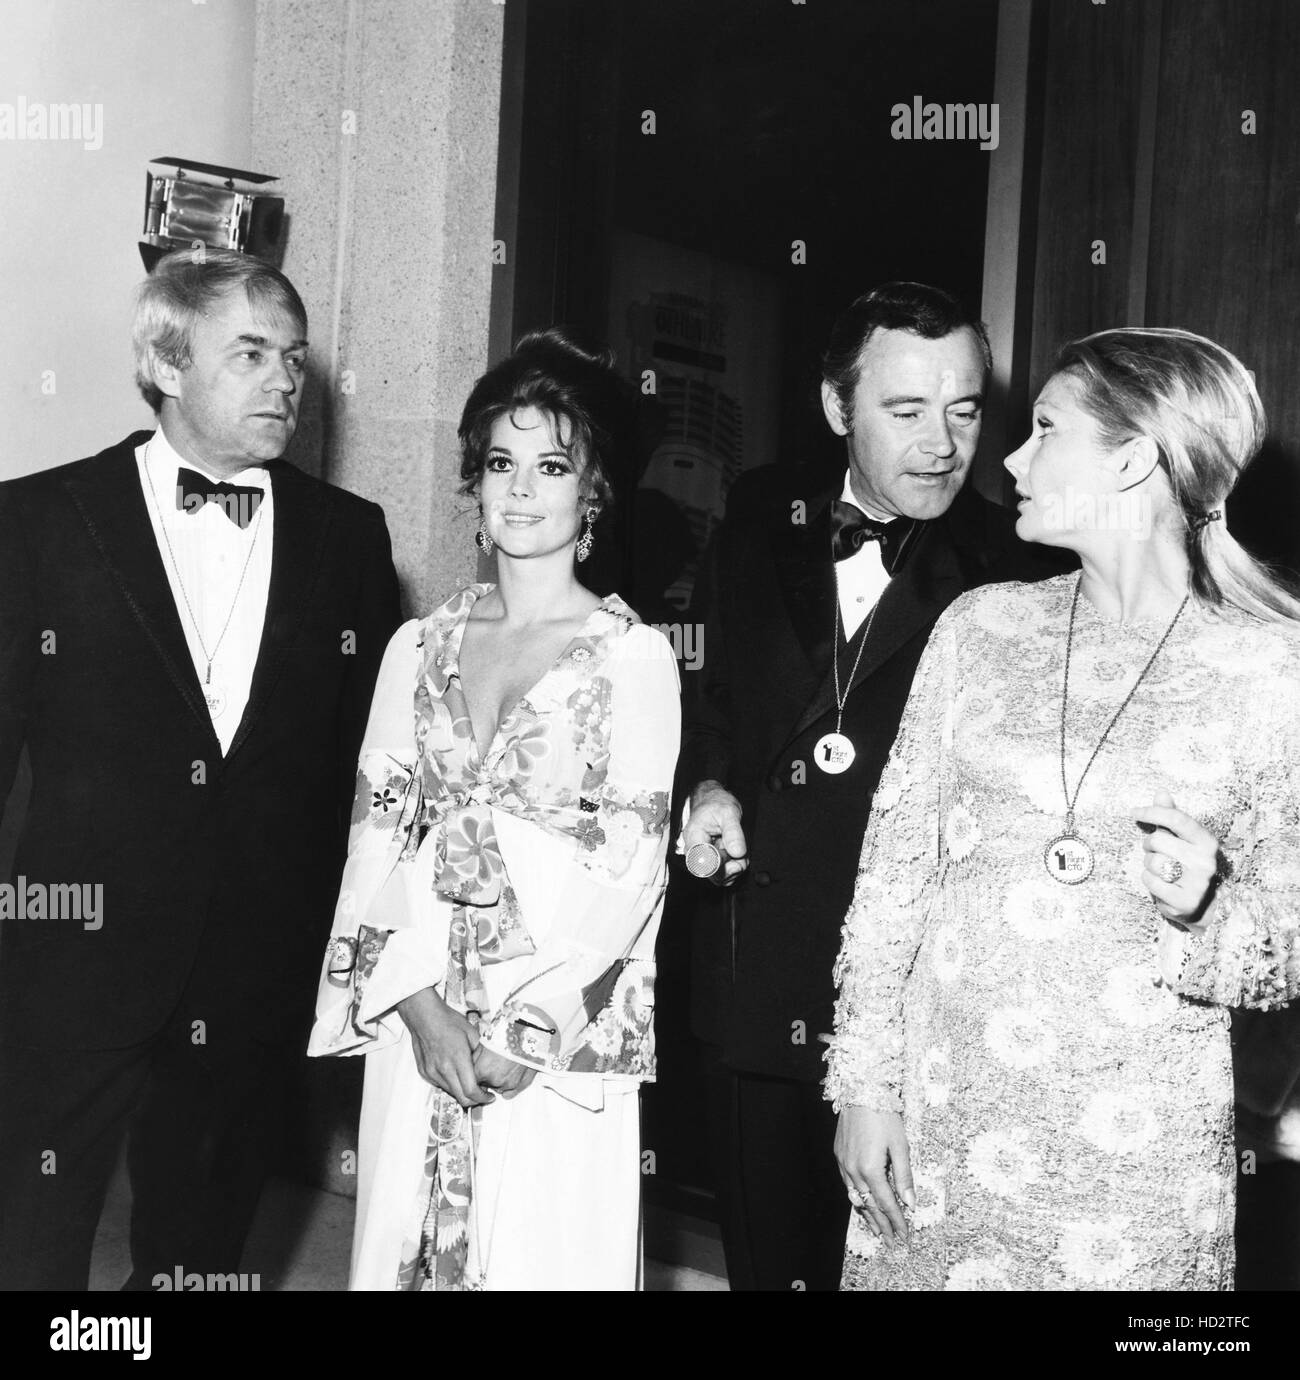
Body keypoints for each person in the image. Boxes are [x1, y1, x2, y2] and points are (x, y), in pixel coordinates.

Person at [827, 326, 1300, 1290]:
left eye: (1045, 429)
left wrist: (1204, 909)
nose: (1008, 458)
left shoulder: (1269, 670)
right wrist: (864, 1087)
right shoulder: (978, 625)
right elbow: (892, 884)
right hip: (942, 1122)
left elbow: (1285, 948)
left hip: (1136, 1154)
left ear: (1130, 456)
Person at [0, 248, 401, 1290]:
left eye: (296, 360)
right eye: (252, 354)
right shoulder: (36, 521)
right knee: (34, 1233)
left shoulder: (350, 538)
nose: (285, 382)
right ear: (167, 365)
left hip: (255, 956)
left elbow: (372, 762)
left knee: (202, 1243)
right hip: (71, 948)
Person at [677, 282, 1069, 1291]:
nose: (942, 444)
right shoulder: (758, 513)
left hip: (914, 1008)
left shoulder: (1022, 564)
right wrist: (710, 787)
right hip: (754, 972)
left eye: (966, 409)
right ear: (833, 407)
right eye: (904, 410)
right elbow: (712, 698)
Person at [310, 329, 680, 1291]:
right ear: (473, 481)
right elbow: (373, 840)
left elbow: (634, 868)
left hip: (556, 1028)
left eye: (552, 466)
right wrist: (418, 1007)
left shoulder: (630, 657)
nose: (520, 488)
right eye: (501, 463)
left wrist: (532, 1028)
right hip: (420, 999)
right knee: (400, 1246)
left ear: (592, 492)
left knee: (543, 1259)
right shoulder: (413, 647)